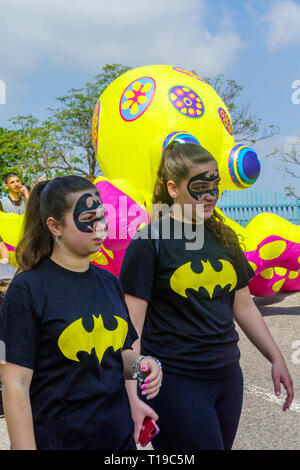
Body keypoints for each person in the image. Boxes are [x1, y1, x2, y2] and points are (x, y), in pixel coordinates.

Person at [120, 142, 294, 450]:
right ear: (173, 188)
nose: (210, 195)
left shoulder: (224, 237)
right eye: (200, 187)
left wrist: (275, 356)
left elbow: (244, 307)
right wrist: (132, 392)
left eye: (215, 187)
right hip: (176, 383)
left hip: (228, 378)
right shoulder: (149, 243)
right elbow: (130, 329)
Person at [0, 175, 162, 450]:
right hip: (60, 440)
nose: (100, 228)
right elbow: (15, 382)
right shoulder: (27, 289)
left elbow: (120, 354)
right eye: (88, 218)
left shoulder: (110, 282)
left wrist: (143, 365)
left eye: (102, 217)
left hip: (117, 439)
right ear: (54, 226)